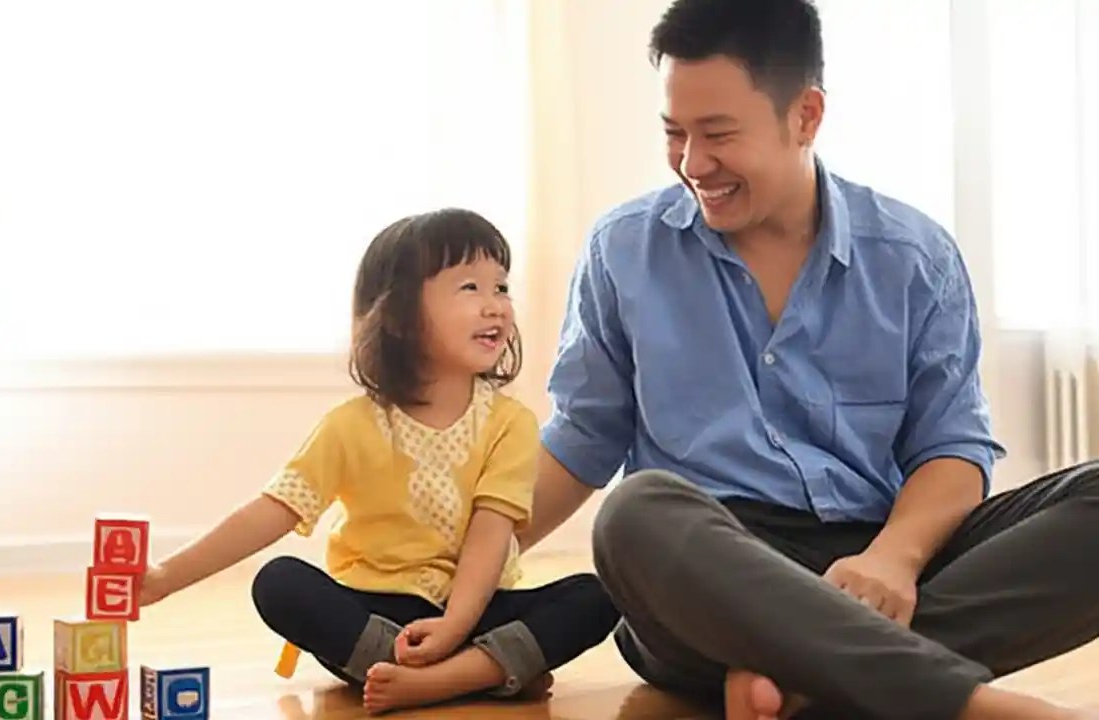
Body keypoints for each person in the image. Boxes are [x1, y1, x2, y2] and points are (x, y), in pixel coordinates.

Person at [516, 1, 1099, 719]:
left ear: (806, 116)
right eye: (674, 134)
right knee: (633, 514)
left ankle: (804, 681)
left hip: (874, 563)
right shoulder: (623, 251)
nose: (693, 165)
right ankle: (961, 702)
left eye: (718, 135)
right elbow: (580, 442)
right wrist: (446, 576)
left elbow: (951, 449)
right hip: (709, 570)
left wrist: (895, 558)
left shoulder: (914, 257)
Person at [138, 208, 619, 714]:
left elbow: (490, 534)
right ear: (400, 315)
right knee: (279, 582)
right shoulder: (350, 426)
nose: (495, 305)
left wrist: (453, 626)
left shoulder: (510, 424)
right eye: (470, 288)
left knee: (598, 595)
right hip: (377, 611)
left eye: (501, 287)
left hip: (475, 607)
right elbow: (270, 511)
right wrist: (168, 576)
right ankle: (479, 669)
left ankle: (443, 677)